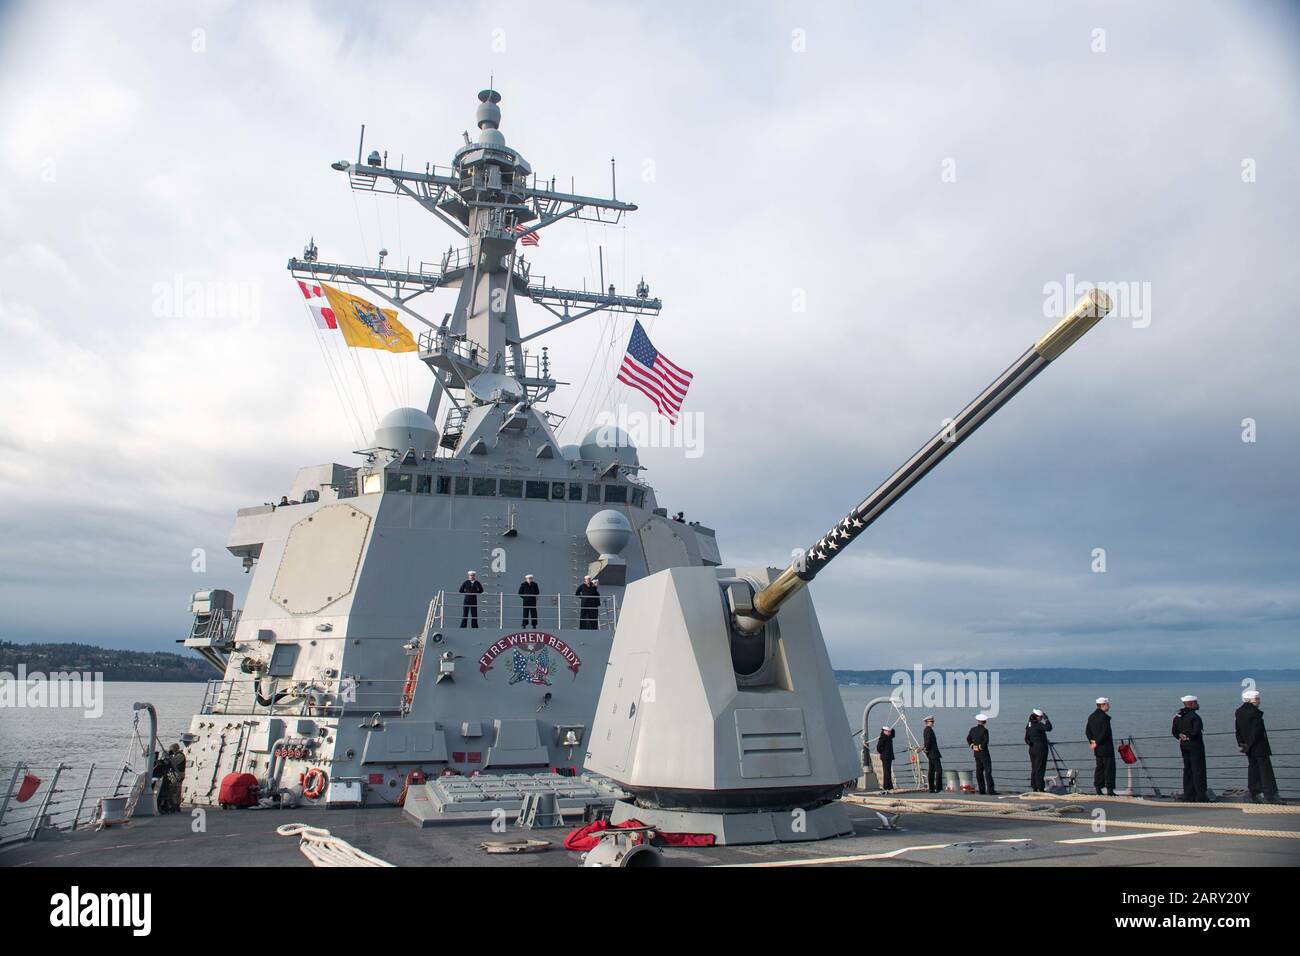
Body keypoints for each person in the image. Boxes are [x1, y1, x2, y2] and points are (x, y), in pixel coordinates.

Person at [1235, 690, 1281, 804]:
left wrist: (1242, 744)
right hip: (1259, 746)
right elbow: (1257, 732)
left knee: (1253, 770)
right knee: (1266, 772)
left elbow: (1238, 730)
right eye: (1257, 699)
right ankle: (1270, 796)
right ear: (1251, 700)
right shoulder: (1254, 712)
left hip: (1248, 747)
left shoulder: (1239, 712)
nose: (1259, 701)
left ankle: (1254, 794)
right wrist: (1250, 744)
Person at [1171, 694, 1208, 802]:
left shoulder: (1178, 716)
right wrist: (1189, 736)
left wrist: (1181, 736)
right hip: (1195, 745)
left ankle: (1188, 795)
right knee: (1198, 770)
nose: (1197, 704)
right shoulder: (1195, 717)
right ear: (1191, 704)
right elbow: (1196, 732)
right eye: (1196, 703)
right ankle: (1200, 796)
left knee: (1187, 770)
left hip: (1183, 745)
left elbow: (1174, 731)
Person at [1086, 697, 1116, 795]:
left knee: (1099, 768)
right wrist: (1097, 742)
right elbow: (1105, 733)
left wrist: (1092, 741)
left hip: (1097, 749)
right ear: (1103, 705)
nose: (1109, 706)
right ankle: (1110, 790)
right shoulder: (1104, 718)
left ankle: (1098, 788)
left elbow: (1087, 731)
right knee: (1109, 768)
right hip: (1106, 747)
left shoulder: (1091, 716)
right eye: (1108, 704)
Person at [966, 713, 997, 795]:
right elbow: (986, 742)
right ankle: (990, 790)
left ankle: (981, 790)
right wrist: (980, 747)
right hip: (984, 753)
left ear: (977, 721)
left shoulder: (972, 729)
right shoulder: (985, 731)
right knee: (987, 771)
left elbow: (968, 738)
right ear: (985, 722)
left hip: (976, 753)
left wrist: (973, 746)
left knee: (979, 771)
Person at [1025, 709, 1053, 792]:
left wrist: (1031, 743)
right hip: (1040, 748)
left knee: (1034, 768)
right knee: (1040, 768)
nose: (1041, 719)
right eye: (1041, 717)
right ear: (1038, 717)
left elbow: (1026, 738)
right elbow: (1049, 728)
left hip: (1032, 748)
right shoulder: (1037, 724)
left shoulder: (1029, 725)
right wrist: (1047, 719)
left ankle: (1034, 786)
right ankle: (1041, 787)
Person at [922, 716, 943, 792]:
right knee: (939, 771)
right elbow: (928, 741)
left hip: (931, 753)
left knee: (931, 770)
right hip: (933, 753)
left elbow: (927, 742)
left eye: (933, 722)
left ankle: (931, 788)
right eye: (932, 722)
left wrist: (926, 749)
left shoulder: (927, 730)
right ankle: (938, 788)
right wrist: (926, 749)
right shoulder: (929, 730)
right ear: (927, 722)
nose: (933, 723)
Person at [875, 726, 896, 792]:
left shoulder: (888, 737)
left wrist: (891, 729)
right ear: (884, 731)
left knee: (888, 771)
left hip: (888, 757)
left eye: (889, 731)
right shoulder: (882, 738)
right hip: (885, 757)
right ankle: (887, 786)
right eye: (888, 731)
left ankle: (889, 786)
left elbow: (893, 734)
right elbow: (878, 748)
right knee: (886, 772)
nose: (889, 732)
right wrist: (883, 753)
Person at [167, 742, 186, 809]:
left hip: (179, 775)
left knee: (175, 790)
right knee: (176, 790)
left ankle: (175, 805)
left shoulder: (180, 755)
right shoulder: (177, 755)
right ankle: (175, 804)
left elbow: (173, 762)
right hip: (177, 775)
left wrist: (169, 757)